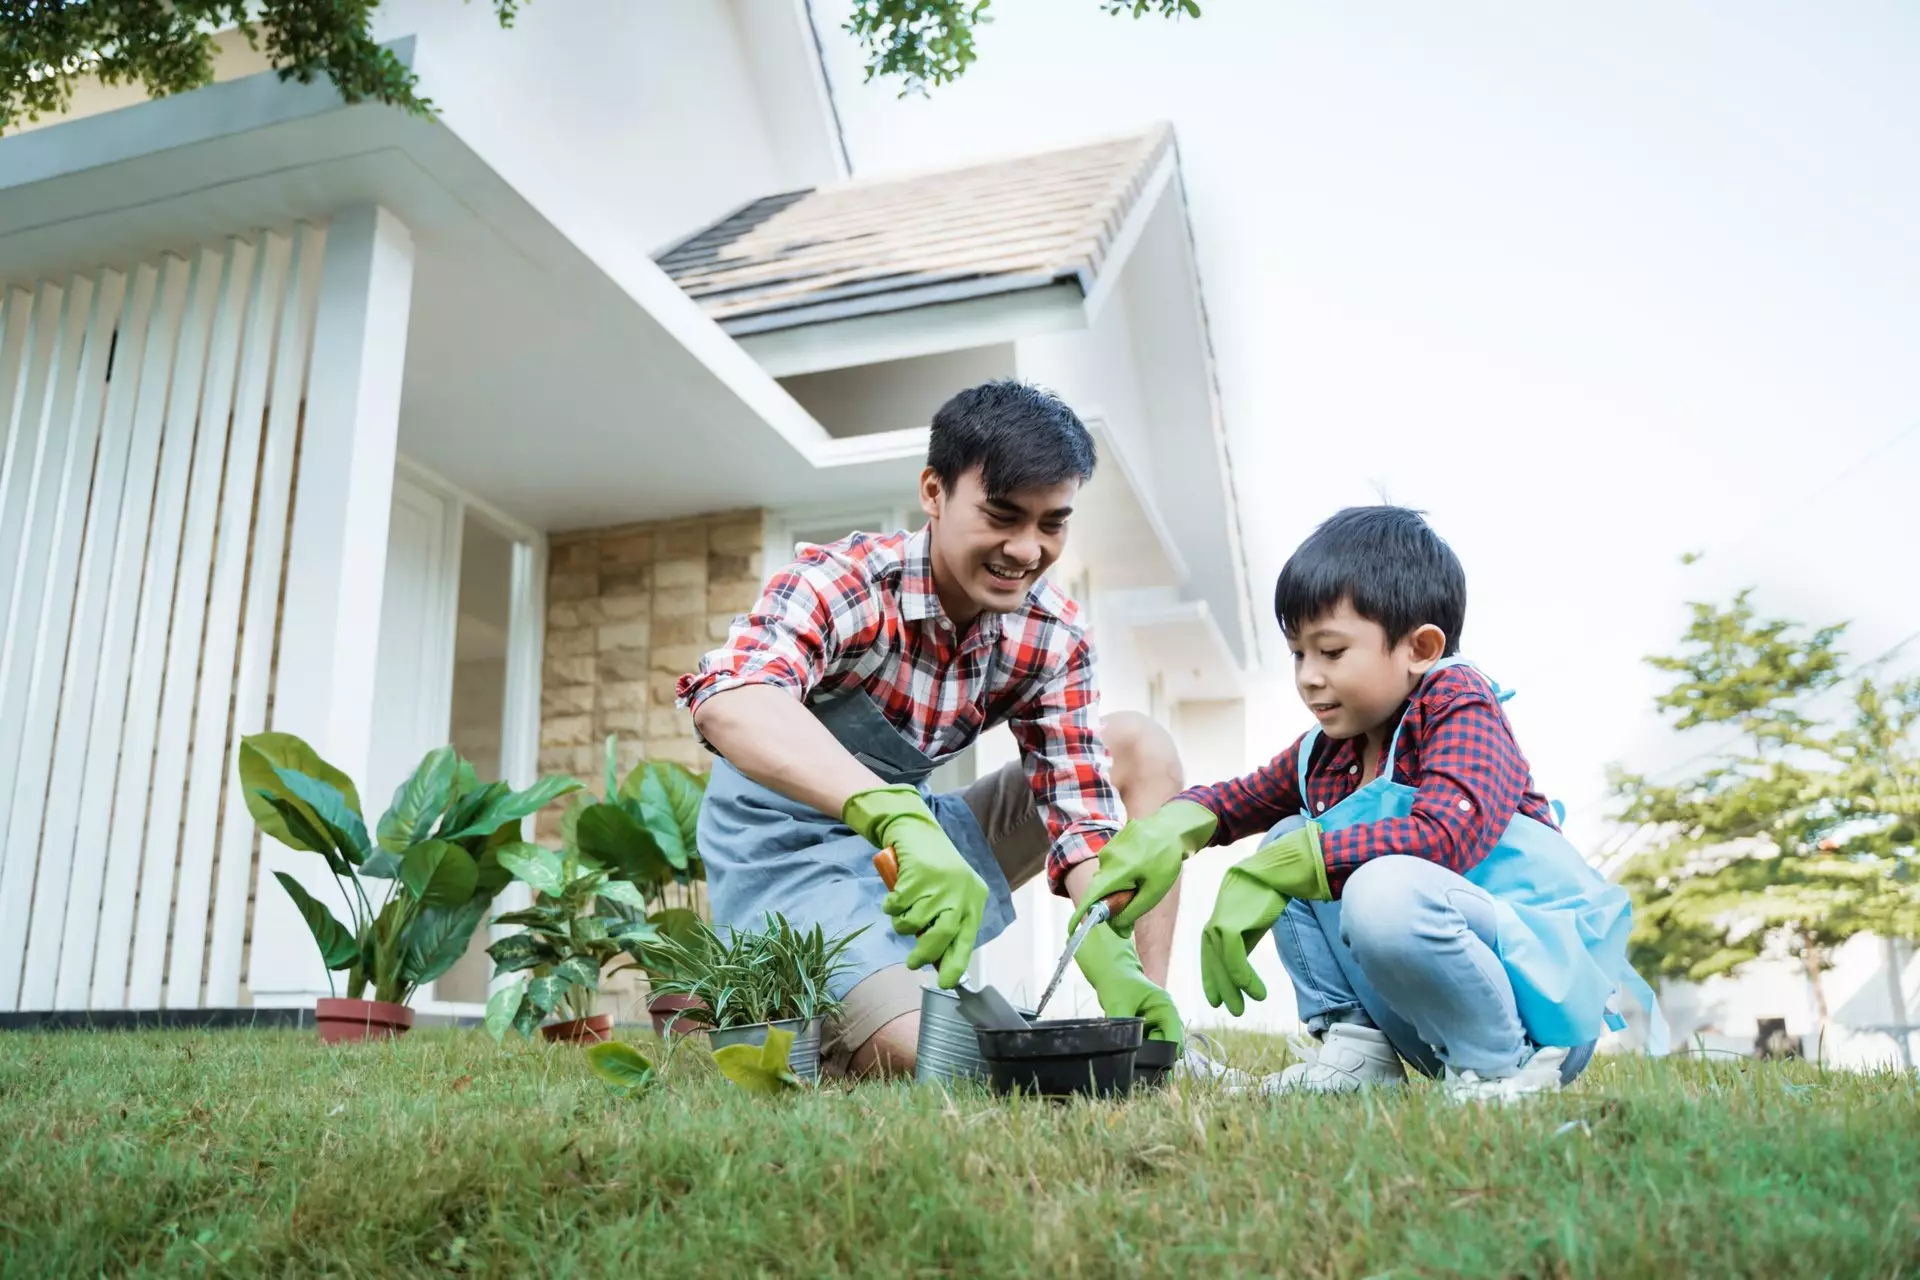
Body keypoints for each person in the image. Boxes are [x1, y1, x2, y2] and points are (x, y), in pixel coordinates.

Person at [676, 380, 1191, 1078]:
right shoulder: (848, 583)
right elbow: (730, 699)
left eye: (1051, 524)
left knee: (1138, 744)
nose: (1025, 549)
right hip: (790, 856)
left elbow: (1078, 810)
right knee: (928, 1057)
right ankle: (834, 1011)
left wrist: (1110, 954)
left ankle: (1150, 1034)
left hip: (923, 839)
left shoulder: (1051, 633)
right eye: (1002, 515)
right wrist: (890, 815)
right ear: (934, 491)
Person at [1070, 505, 1665, 1102]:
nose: (1307, 676)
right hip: (1430, 1018)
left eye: (1330, 652)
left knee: (1362, 879)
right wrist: (1169, 832)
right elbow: (1237, 800)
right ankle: (1358, 1053)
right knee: (1285, 837)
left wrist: (1283, 870)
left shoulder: (1462, 705)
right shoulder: (1331, 750)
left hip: (1541, 1012)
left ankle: (1500, 1074)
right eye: (1298, 654)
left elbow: (1443, 835)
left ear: (1420, 647)